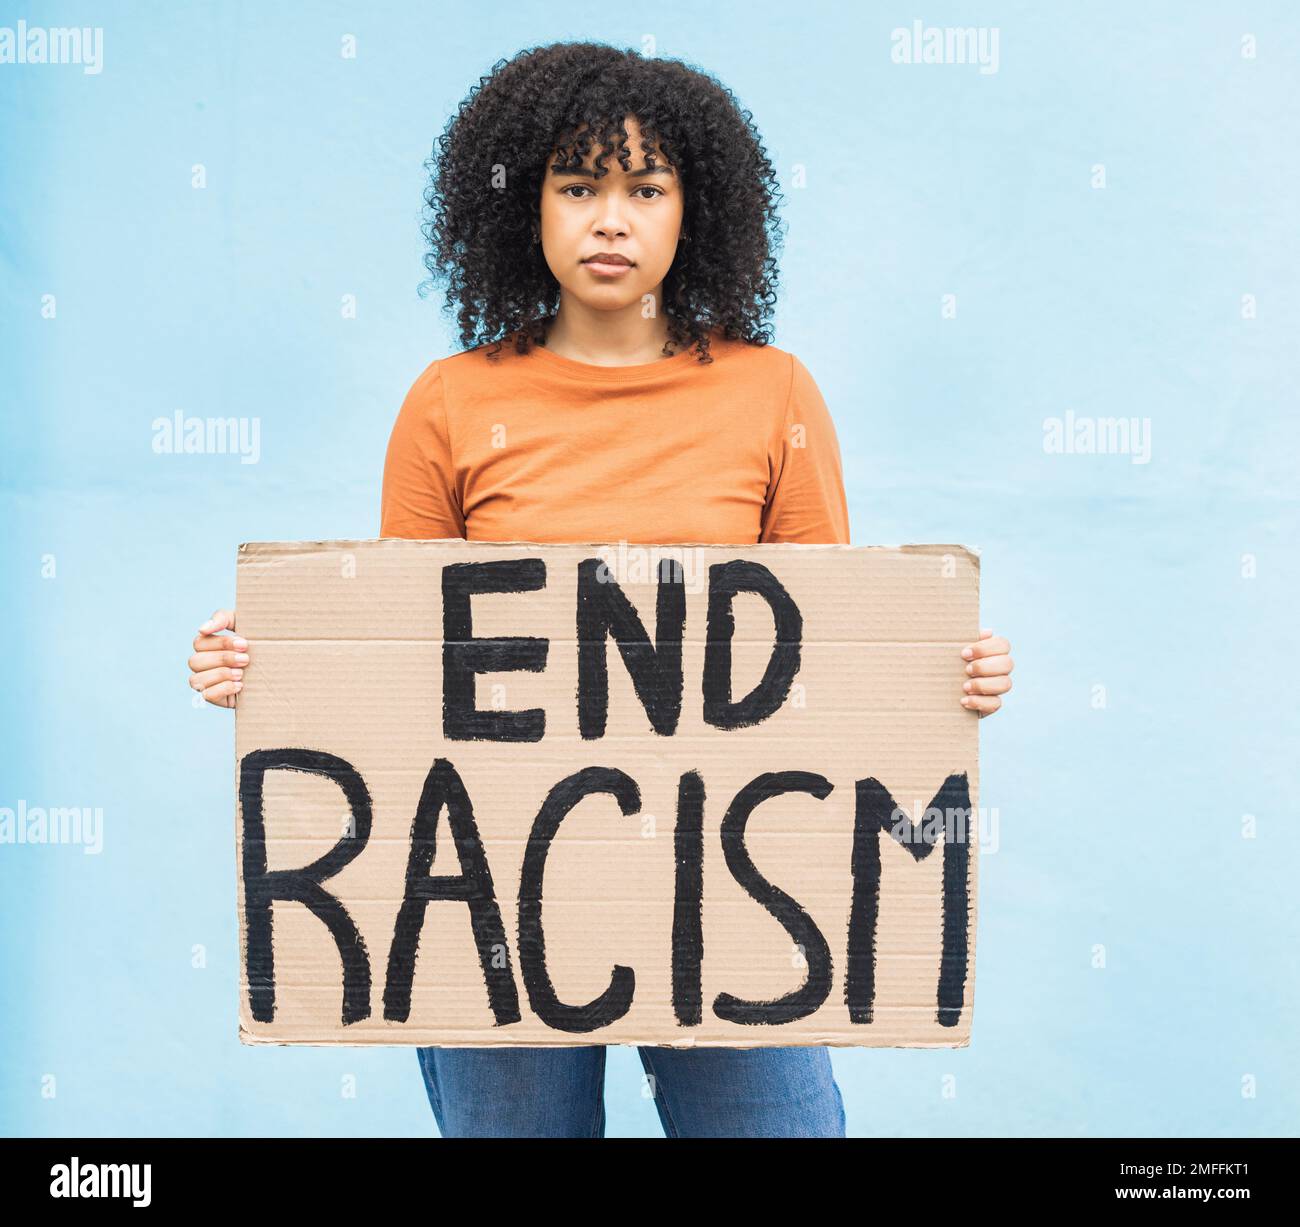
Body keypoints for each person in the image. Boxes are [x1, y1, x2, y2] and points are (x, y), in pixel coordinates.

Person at [186, 41, 1014, 1138]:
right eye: (577, 188)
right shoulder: (448, 402)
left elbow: (827, 645)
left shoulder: (775, 395)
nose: (610, 221)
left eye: (645, 190)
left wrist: (939, 675)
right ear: (524, 206)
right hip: (496, 895)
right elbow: (406, 656)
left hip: (727, 888)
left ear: (694, 210)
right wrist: (274, 670)